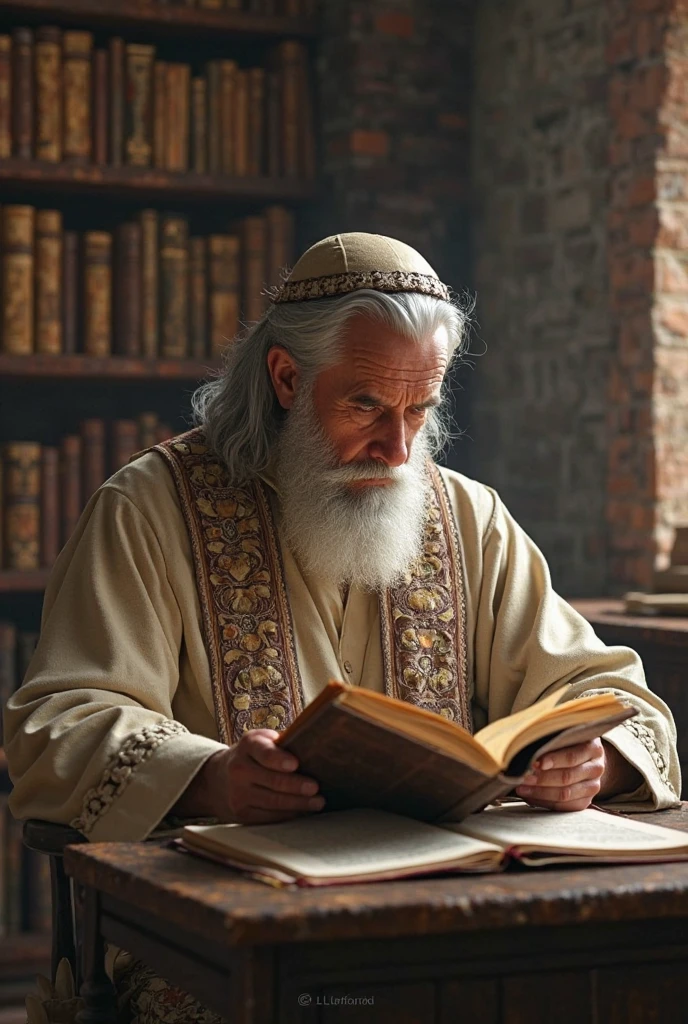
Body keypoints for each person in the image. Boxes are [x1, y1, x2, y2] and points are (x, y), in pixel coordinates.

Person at [6, 233, 681, 1023]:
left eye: (419, 410)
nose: (398, 448)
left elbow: (605, 690)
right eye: (365, 404)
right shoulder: (148, 509)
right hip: (231, 934)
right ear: (287, 377)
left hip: (443, 917)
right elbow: (59, 725)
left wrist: (594, 760)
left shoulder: (469, 517)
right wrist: (214, 776)